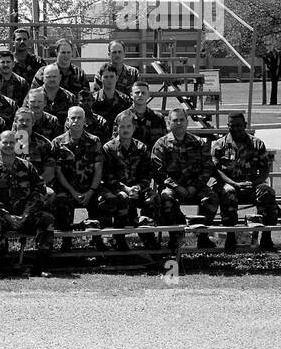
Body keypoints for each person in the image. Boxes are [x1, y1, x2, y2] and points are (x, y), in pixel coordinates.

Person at [0, 130, 55, 276]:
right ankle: (1, 266)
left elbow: (40, 191)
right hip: (3, 216)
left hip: (25, 216)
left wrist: (26, 214)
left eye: (12, 142)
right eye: (5, 142)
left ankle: (40, 267)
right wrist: (7, 216)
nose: (8, 145)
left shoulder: (27, 167)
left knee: (47, 219)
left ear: (17, 145)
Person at [150, 106, 219, 249]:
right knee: (166, 198)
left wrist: (194, 186)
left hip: (196, 186)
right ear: (169, 123)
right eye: (175, 120)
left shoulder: (198, 143)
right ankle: (175, 237)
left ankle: (202, 235)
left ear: (187, 122)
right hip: (172, 187)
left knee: (212, 197)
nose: (179, 123)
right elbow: (159, 172)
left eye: (182, 120)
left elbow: (207, 168)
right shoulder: (161, 144)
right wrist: (177, 187)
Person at [210, 111, 279, 250]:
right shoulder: (219, 145)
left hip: (251, 185)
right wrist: (234, 183)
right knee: (228, 192)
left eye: (239, 125)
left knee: (267, 192)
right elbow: (216, 171)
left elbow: (265, 169)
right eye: (232, 125)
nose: (235, 128)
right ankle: (230, 237)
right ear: (227, 125)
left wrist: (253, 183)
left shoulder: (257, 144)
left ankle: (266, 237)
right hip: (227, 184)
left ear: (245, 125)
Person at [98, 110, 156, 250]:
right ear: (117, 128)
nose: (125, 130)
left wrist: (137, 188)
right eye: (122, 127)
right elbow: (107, 176)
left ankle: (148, 237)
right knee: (120, 198)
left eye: (128, 126)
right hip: (115, 189)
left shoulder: (142, 148)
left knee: (153, 199)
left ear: (134, 128)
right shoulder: (108, 148)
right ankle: (119, 239)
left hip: (136, 190)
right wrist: (126, 189)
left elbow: (146, 175)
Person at [51, 106, 106, 250]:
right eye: (72, 118)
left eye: (79, 118)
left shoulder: (94, 141)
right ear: (67, 121)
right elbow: (58, 172)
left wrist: (92, 190)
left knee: (104, 202)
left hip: (90, 188)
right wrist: (73, 192)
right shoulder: (57, 142)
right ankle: (66, 242)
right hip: (67, 188)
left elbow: (98, 169)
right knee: (61, 202)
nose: (76, 121)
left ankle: (98, 240)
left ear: (85, 121)